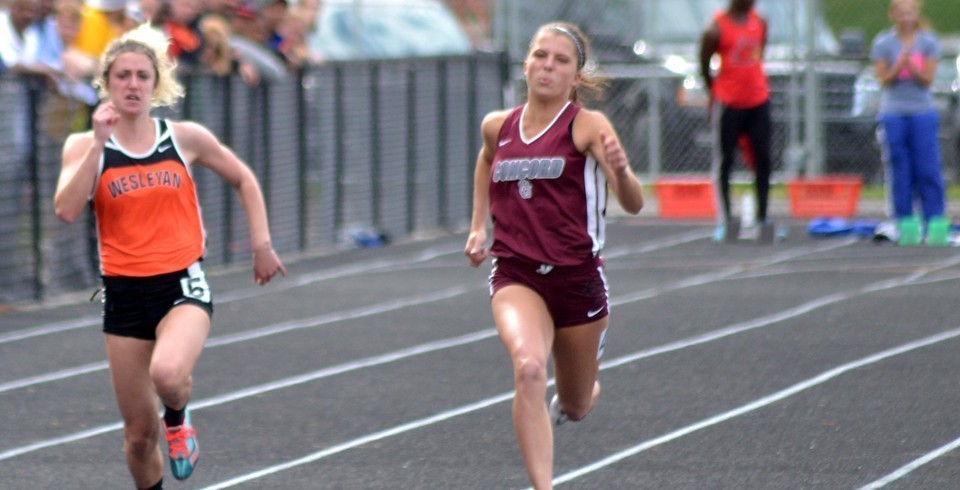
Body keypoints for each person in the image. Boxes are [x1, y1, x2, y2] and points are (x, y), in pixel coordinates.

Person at [53, 24, 286, 489]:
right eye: (122, 76)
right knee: (139, 438)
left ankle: (178, 417)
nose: (133, 84)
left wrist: (261, 244)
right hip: (123, 294)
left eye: (142, 75)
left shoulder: (183, 137)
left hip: (181, 283)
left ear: (156, 84)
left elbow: (243, 178)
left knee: (167, 374)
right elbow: (66, 209)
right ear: (106, 83)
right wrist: (97, 143)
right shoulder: (84, 147)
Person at [463, 21, 643, 489]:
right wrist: (478, 225)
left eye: (561, 60)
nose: (548, 66)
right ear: (526, 63)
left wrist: (623, 173)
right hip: (516, 274)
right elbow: (486, 159)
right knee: (528, 369)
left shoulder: (588, 126)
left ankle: (577, 393)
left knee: (577, 404)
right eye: (540, 56)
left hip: (577, 279)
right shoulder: (498, 125)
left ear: (575, 76)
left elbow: (633, 203)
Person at [699, 0, 774, 243]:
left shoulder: (760, 22)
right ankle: (727, 219)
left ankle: (763, 218)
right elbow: (704, 64)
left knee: (763, 159)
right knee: (725, 161)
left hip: (758, 100)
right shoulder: (715, 28)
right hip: (729, 103)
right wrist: (715, 93)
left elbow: (759, 54)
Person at [871, 0, 946, 241]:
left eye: (910, 12)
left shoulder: (928, 42)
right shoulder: (883, 43)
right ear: (893, 15)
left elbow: (928, 80)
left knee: (927, 167)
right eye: (901, 13)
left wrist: (912, 66)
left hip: (922, 111)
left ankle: (934, 219)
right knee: (899, 167)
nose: (906, 17)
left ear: (917, 14)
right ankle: (903, 220)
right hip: (894, 112)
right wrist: (898, 66)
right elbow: (883, 80)